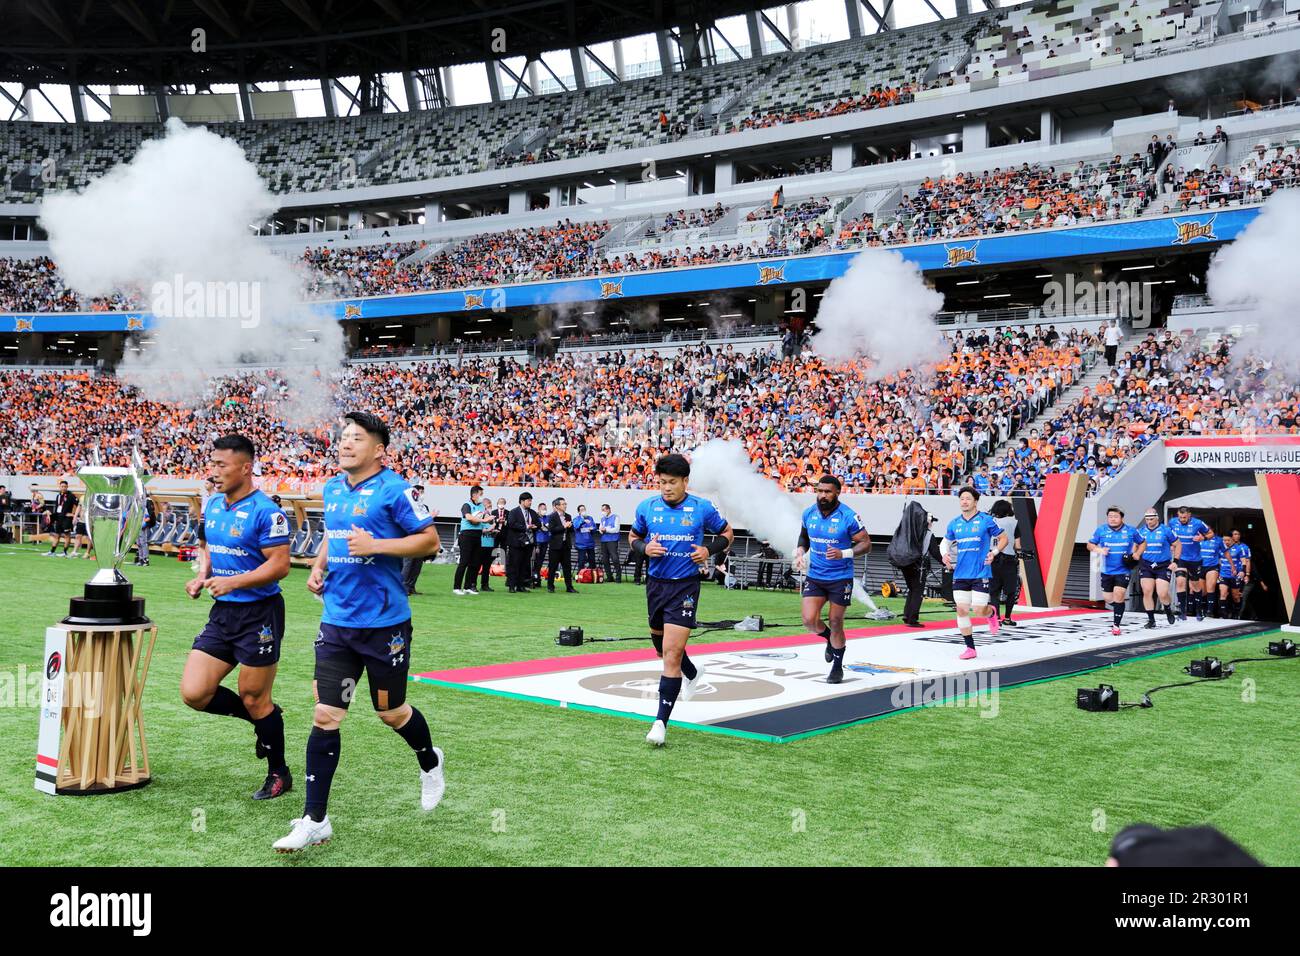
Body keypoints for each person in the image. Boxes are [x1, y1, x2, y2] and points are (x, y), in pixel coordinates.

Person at [274, 411, 443, 853]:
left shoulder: (395, 490)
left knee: (391, 712)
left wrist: (376, 546)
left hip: (385, 626)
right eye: (343, 436)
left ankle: (429, 760)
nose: (346, 443)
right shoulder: (333, 488)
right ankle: (315, 820)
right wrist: (319, 565)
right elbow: (335, 534)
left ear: (379, 449)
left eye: (356, 437)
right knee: (326, 715)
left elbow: (430, 542)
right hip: (337, 624)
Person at [179, 434, 293, 801]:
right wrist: (202, 575)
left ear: (245, 468)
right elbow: (208, 547)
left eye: (221, 465)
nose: (213, 471)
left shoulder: (267, 512)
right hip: (223, 613)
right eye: (212, 464)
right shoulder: (213, 504)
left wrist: (234, 581)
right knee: (194, 692)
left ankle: (279, 773)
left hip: (260, 615)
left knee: (254, 696)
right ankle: (263, 720)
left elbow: (280, 565)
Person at [628, 454, 732, 746]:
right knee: (660, 647)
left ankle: (660, 723)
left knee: (671, 654)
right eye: (662, 482)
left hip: (685, 587)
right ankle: (693, 672)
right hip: (655, 585)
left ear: (685, 481)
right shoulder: (647, 507)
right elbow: (633, 537)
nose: (666, 487)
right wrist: (644, 548)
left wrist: (708, 550)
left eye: (672, 482)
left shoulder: (701, 508)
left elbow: (727, 533)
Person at [792, 475, 870, 684]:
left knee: (836, 621)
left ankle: (837, 666)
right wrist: (799, 552)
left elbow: (866, 544)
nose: (823, 495)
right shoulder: (809, 513)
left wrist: (844, 553)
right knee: (809, 620)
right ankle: (829, 638)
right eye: (820, 491)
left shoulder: (848, 516)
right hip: (816, 575)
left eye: (827, 492)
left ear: (837, 493)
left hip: (840, 578)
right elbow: (804, 536)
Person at [942, 487, 1008, 659]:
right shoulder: (954, 523)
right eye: (962, 499)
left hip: (980, 572)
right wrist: (944, 554)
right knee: (962, 610)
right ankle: (970, 648)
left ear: (975, 501)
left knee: (979, 610)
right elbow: (945, 542)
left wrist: (994, 553)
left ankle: (991, 612)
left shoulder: (986, 520)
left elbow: (1004, 539)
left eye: (968, 499)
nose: (964, 502)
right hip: (960, 574)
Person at [1087, 506, 1140, 636]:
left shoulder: (1131, 530)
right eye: (1110, 516)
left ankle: (1116, 625)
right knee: (1108, 598)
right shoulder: (1101, 530)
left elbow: (1142, 542)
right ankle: (1119, 607)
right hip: (1107, 570)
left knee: (1119, 594)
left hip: (1123, 570)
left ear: (1122, 518)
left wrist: (1137, 553)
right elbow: (1090, 545)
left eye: (1115, 516)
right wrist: (1100, 550)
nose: (1112, 519)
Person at [887, 501, 934, 628]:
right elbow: (935, 553)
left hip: (906, 565)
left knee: (912, 590)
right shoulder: (927, 534)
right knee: (917, 592)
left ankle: (907, 615)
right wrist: (948, 563)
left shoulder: (904, 532)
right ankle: (912, 619)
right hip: (919, 566)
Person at [1133, 509, 1180, 628]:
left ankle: (1168, 609)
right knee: (1147, 591)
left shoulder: (1166, 530)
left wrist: (1176, 562)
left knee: (1162, 593)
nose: (1149, 521)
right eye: (1147, 519)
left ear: (1157, 518)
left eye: (1151, 519)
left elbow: (1178, 544)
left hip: (1163, 565)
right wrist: (1134, 555)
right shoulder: (1141, 531)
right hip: (1146, 564)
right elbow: (1135, 546)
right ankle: (1151, 620)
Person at [1167, 506, 1212, 620]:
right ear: (1178, 515)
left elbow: (1211, 533)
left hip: (1194, 559)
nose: (1182, 519)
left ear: (1189, 515)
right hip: (1180, 558)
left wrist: (1203, 538)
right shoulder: (1172, 522)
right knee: (1180, 582)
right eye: (1180, 517)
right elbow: (1169, 536)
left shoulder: (1198, 523)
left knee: (1195, 585)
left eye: (1185, 517)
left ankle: (1199, 610)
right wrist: (1171, 545)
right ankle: (1182, 612)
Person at [986, 500, 1021, 626]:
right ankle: (1007, 618)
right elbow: (1017, 545)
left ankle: (996, 618)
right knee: (1010, 591)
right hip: (1009, 560)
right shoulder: (1014, 522)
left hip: (993, 558)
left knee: (994, 591)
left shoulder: (990, 521)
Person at [452, 485, 489, 595]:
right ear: (474, 495)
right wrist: (484, 520)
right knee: (464, 562)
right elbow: (468, 517)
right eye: (480, 494)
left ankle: (468, 587)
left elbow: (482, 521)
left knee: (475, 563)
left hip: (477, 535)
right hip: (466, 535)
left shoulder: (481, 506)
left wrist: (488, 523)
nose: (482, 496)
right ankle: (456, 587)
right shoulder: (466, 505)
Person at [401, 485, 432, 595]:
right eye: (420, 491)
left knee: (417, 565)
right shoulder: (407, 506)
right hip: (410, 538)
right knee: (408, 564)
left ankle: (411, 586)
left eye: (423, 491)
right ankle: (403, 587)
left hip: (421, 540)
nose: (421, 494)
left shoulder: (424, 507)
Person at [505, 492, 538, 592]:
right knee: (514, 565)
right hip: (516, 543)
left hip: (529, 543)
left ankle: (521, 586)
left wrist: (535, 526)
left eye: (531, 500)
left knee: (524, 565)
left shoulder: (532, 512)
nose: (530, 502)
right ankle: (511, 586)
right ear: (522, 501)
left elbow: (538, 523)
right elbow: (511, 524)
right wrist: (526, 526)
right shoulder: (514, 512)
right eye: (528, 500)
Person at [547, 497, 577, 592]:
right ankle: (550, 586)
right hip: (555, 546)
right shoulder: (552, 516)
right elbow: (552, 530)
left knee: (567, 567)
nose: (565, 506)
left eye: (565, 504)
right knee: (552, 567)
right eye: (563, 504)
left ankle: (569, 587)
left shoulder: (568, 516)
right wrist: (563, 526)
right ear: (557, 506)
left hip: (566, 545)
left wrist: (570, 526)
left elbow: (571, 530)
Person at [46, 479, 77, 556]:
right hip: (59, 518)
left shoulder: (71, 495)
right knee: (57, 535)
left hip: (66, 519)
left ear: (67, 487)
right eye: (62, 486)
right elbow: (58, 507)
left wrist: (73, 514)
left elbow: (78, 505)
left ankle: (65, 552)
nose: (63, 488)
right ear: (59, 487)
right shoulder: (58, 495)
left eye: (65, 486)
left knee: (67, 535)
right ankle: (52, 552)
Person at [1200, 527, 1226, 618]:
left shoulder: (1219, 540)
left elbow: (1225, 553)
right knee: (1202, 591)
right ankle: (1203, 609)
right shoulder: (1199, 538)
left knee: (1211, 587)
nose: (1207, 532)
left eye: (1209, 531)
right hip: (1200, 566)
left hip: (1212, 566)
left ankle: (1210, 611)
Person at [1229, 529, 1253, 618]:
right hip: (1228, 574)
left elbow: (1248, 561)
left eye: (1238, 534)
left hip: (1240, 574)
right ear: (1231, 536)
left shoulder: (1244, 547)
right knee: (1226, 594)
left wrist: (1247, 574)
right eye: (1235, 534)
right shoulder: (1226, 546)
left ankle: (1237, 615)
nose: (1237, 536)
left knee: (1238, 595)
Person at [1217, 533, 1241, 618]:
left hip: (1235, 575)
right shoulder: (1220, 550)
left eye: (1228, 540)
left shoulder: (1238, 548)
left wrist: (1242, 572)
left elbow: (1243, 561)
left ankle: (1236, 613)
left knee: (1236, 597)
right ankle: (1223, 615)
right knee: (1223, 594)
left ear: (1232, 540)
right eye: (1224, 540)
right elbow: (1218, 561)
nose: (1226, 542)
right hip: (1223, 574)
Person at [598, 504, 622, 583]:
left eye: (603, 510)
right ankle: (609, 577)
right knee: (605, 559)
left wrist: (606, 530)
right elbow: (600, 529)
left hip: (612, 540)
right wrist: (601, 530)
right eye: (602, 510)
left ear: (608, 509)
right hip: (604, 540)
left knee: (614, 558)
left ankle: (618, 577)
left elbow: (616, 529)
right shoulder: (602, 518)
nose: (602, 512)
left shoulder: (615, 517)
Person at [134, 494, 157, 566]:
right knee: (139, 543)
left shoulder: (146, 504)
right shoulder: (138, 504)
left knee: (143, 542)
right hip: (137, 525)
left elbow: (149, 517)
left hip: (142, 525)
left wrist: (143, 523)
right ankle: (141, 559)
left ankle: (145, 559)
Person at [574, 504, 597, 575]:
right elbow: (576, 526)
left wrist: (592, 529)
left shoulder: (590, 518)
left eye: (584, 509)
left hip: (590, 543)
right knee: (581, 561)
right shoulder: (576, 519)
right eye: (581, 510)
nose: (583, 511)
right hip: (581, 544)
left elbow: (594, 528)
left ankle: (592, 576)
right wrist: (583, 521)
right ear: (579, 512)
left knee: (592, 560)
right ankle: (580, 575)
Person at [531, 500, 550, 587]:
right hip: (537, 542)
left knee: (541, 561)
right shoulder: (535, 517)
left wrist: (544, 527)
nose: (544, 510)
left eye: (545, 509)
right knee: (536, 561)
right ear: (538, 509)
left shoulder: (547, 518)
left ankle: (537, 579)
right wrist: (541, 527)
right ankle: (534, 579)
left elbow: (548, 528)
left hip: (545, 542)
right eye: (542, 509)